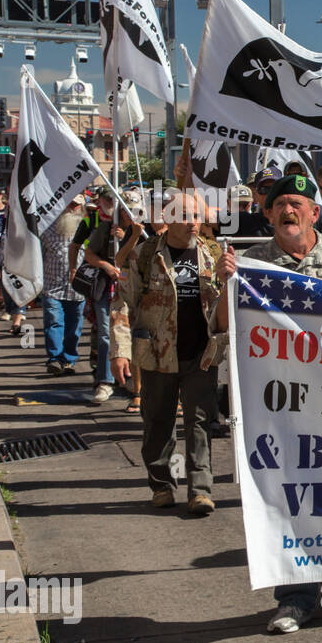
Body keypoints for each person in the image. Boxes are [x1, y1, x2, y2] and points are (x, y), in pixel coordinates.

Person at [213, 172, 322, 634]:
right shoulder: (250, 263)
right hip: (281, 404)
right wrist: (227, 286)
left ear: (314, 212)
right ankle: (295, 597)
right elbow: (222, 328)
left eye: (298, 203)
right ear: (267, 213)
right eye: (280, 203)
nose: (289, 210)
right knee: (291, 495)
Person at [110, 193, 225, 515]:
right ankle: (162, 484)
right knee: (158, 421)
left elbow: (226, 302)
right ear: (169, 217)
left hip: (201, 355)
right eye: (186, 216)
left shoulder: (212, 254)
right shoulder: (144, 255)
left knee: (199, 423)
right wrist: (119, 352)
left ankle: (200, 490)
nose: (193, 223)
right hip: (157, 356)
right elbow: (121, 305)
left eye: (197, 216)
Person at [70, 188, 127, 403]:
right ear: (100, 200)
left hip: (131, 286)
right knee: (104, 332)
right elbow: (81, 248)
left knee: (131, 332)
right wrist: (74, 269)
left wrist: (129, 236)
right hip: (104, 285)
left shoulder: (140, 225)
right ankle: (104, 379)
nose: (111, 203)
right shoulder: (94, 221)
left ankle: (132, 381)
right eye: (107, 198)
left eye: (115, 199)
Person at [39, 195, 88, 375]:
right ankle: (55, 359)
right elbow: (39, 256)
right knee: (54, 323)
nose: (71, 208)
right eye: (69, 203)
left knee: (74, 328)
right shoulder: (47, 229)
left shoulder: (89, 227)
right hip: (52, 285)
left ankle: (68, 359)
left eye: (76, 205)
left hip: (78, 290)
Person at [0, 191, 26, 331]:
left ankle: (17, 322)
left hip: (22, 264)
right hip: (4, 264)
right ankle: (12, 312)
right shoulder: (1, 221)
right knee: (7, 293)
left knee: (20, 292)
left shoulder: (26, 222)